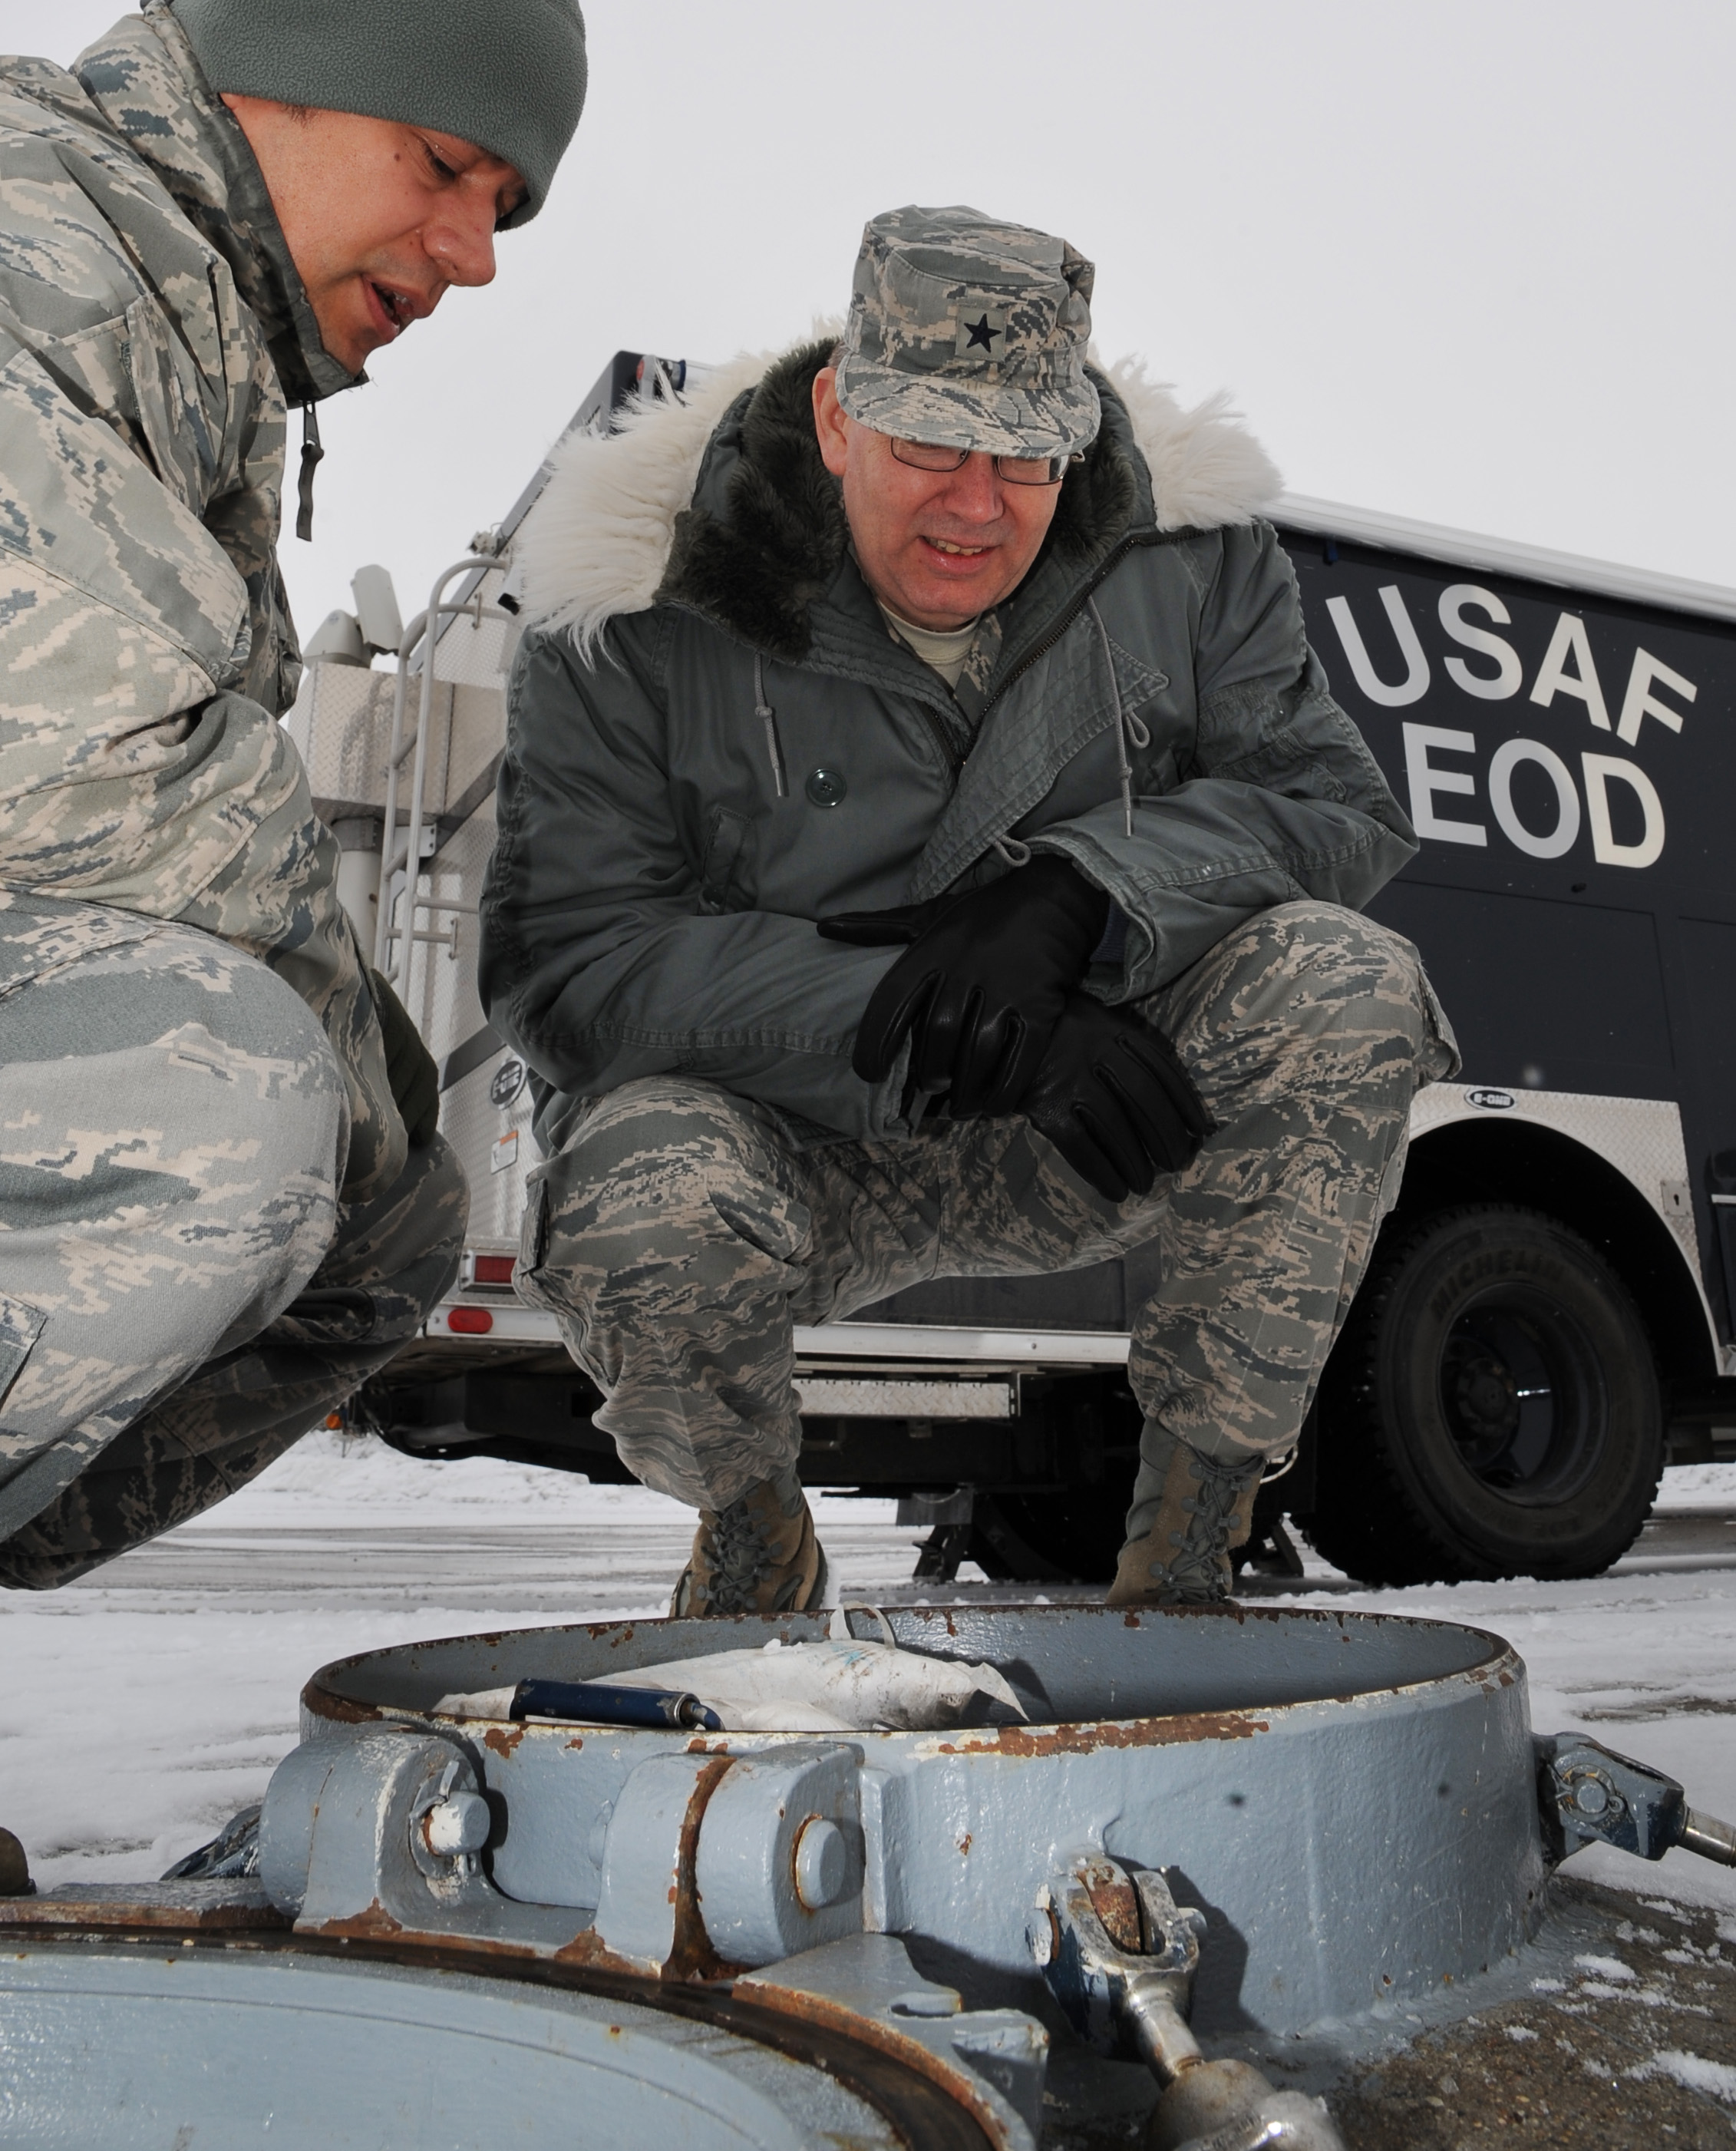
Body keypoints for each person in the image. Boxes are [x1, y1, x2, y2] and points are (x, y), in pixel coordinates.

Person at [480, 207, 1457, 1617]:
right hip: (791, 1142)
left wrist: (1085, 894)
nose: (975, 504)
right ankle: (752, 1533)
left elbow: (1331, 802)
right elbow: (570, 961)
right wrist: (905, 1007)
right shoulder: (634, 614)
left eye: (1022, 457)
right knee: (639, 1188)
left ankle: (1186, 1541)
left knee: (1343, 979)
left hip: (1085, 1129)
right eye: (930, 444)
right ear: (834, 416)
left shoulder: (1196, 563)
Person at [0, 0, 587, 1587]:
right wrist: (363, 1089)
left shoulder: (184, 315)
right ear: (284, 69)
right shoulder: (51, 260)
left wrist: (392, 1168)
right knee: (214, 1095)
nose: (474, 255)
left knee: (376, 1220)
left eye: (506, 205)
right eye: (444, 169)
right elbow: (92, 765)